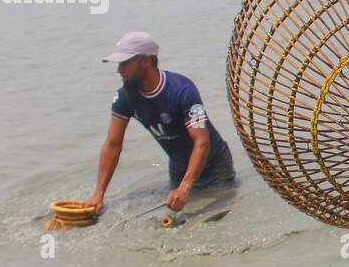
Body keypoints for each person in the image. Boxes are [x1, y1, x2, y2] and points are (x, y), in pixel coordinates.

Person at [82, 32, 235, 215]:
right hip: (178, 169)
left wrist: (185, 187)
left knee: (216, 217)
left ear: (146, 61)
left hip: (215, 167)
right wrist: (98, 195)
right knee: (176, 221)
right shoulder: (125, 98)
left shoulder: (182, 90)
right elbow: (113, 145)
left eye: (124, 63)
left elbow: (202, 142)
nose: (119, 70)